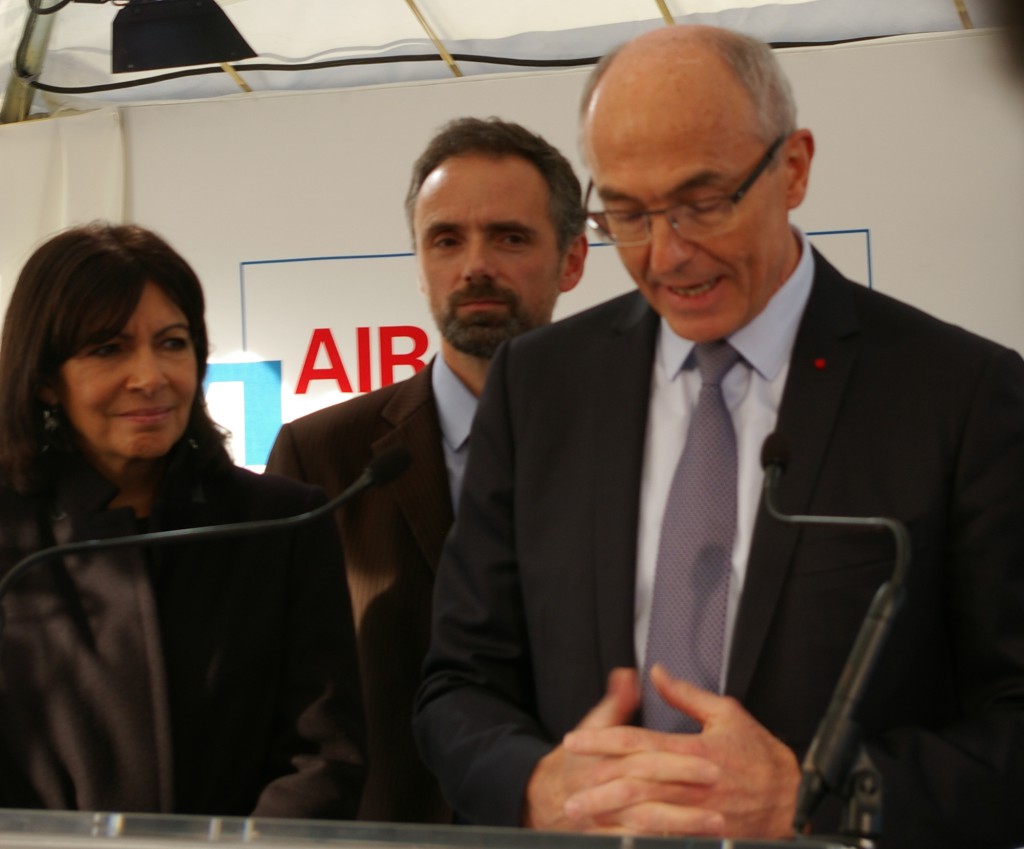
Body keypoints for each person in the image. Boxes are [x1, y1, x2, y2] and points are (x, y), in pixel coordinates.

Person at [414, 25, 1024, 849]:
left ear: (794, 168)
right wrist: (535, 784)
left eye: (703, 203)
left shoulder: (960, 393)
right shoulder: (538, 384)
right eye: (627, 214)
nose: (667, 255)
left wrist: (815, 799)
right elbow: (456, 684)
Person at [265, 117, 588, 822]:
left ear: (572, 260)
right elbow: (282, 709)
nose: (475, 265)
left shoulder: (633, 440)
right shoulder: (321, 457)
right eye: (445, 239)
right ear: (418, 265)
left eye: (509, 237)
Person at [0, 222, 365, 817]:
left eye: (172, 343)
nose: (151, 377)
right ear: (45, 380)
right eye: (108, 349)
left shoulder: (283, 521)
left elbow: (325, 756)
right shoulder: (11, 534)